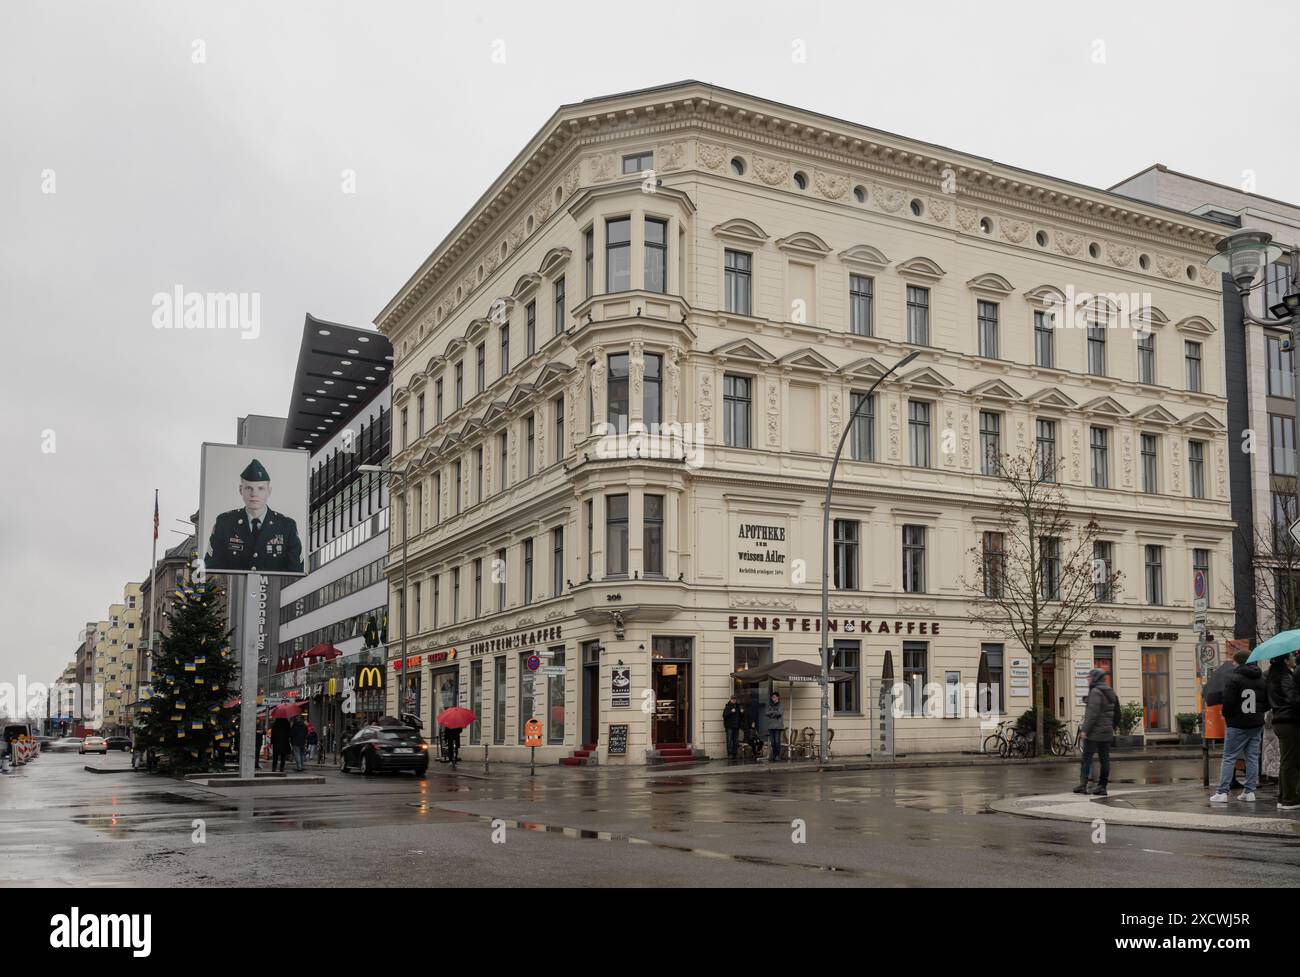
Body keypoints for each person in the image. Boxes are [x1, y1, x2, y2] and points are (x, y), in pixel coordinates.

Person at [204, 458, 304, 573]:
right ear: (241, 490)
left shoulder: (287, 526)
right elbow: (211, 567)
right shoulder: (225, 523)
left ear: (269, 491)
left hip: (274, 589)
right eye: (248, 488)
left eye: (260, 488)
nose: (254, 494)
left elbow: (296, 571)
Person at [1211, 649, 1268, 803]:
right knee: (1252, 757)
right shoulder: (1261, 678)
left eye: (1235, 661)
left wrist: (1226, 715)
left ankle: (1222, 792)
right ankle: (1249, 792)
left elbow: (1228, 702)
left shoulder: (1233, 678)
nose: (1233, 663)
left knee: (1229, 757)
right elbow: (1267, 702)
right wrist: (1258, 713)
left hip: (1237, 724)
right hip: (1256, 723)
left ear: (1239, 661)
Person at [1075, 668, 1120, 796]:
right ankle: (1102, 786)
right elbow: (1118, 713)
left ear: (1095, 678)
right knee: (1104, 759)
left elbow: (1092, 714)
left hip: (1094, 733)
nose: (1087, 679)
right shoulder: (1110, 691)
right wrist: (1112, 727)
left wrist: (1085, 730)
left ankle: (1083, 785)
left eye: (1089, 677)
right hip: (1106, 732)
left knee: (1086, 758)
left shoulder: (1095, 692)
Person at [1266, 652, 1300, 810]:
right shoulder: (1285, 676)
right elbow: (1293, 698)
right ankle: (1290, 799)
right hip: (1288, 721)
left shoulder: (1272, 676)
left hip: (1279, 720)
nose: (1294, 659)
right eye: (1292, 657)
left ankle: (1283, 797)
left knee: (1286, 760)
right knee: (1290, 761)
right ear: (1286, 661)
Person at [723, 695, 745, 760]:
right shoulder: (727, 706)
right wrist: (730, 712)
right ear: (730, 700)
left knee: (735, 741)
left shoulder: (738, 707)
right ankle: (730, 754)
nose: (734, 700)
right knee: (729, 740)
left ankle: (735, 754)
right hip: (729, 726)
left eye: (735, 699)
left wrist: (742, 713)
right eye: (732, 699)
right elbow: (724, 715)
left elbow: (741, 717)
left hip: (736, 726)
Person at [766, 692, 785, 761]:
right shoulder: (769, 704)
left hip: (778, 726)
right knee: (772, 742)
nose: (773, 698)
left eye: (774, 697)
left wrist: (771, 713)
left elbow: (779, 713)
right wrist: (774, 712)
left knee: (777, 741)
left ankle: (778, 755)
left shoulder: (781, 704)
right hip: (770, 725)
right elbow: (766, 713)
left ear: (778, 697)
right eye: (772, 697)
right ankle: (774, 754)